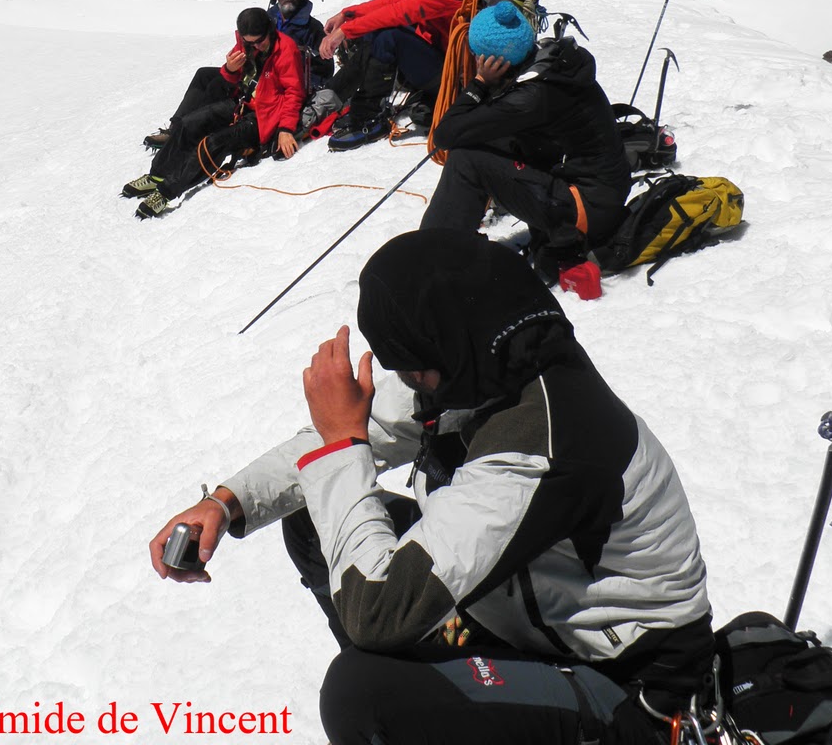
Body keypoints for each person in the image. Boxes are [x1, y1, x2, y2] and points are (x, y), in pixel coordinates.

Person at [149, 232, 714, 745]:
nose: (406, 379)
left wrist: (341, 447)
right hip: (529, 617)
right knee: (315, 514)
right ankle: (428, 702)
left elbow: (375, 605)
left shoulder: (540, 440)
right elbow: (353, 435)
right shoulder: (491, 359)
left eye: (413, 364)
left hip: (629, 689)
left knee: (362, 692)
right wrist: (225, 501)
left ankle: (415, 709)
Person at [421, 1, 632, 296]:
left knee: (466, 157)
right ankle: (448, 238)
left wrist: (480, 83)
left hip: (586, 208)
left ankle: (432, 258)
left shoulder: (530, 97)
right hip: (600, 194)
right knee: (484, 140)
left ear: (493, 60)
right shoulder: (552, 65)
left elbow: (446, 135)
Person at [123, 7, 305, 219]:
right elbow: (231, 79)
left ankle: (166, 192)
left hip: (262, 118)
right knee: (188, 124)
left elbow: (295, 93)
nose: (255, 46)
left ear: (270, 31)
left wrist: (285, 129)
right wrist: (229, 69)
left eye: (259, 41)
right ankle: (157, 176)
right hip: (241, 104)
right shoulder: (245, 44)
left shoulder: (286, 50)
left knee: (212, 144)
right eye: (249, 42)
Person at [319, 0, 474, 151]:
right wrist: (348, 14)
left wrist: (347, 30)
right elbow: (398, 0)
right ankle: (361, 106)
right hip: (446, 61)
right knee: (382, 30)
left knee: (389, 35)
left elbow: (401, 11)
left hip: (453, 75)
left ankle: (368, 119)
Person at [270, 0, 332, 89]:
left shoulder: (313, 27)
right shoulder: (266, 21)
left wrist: (309, 86)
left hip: (297, 87)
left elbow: (324, 66)